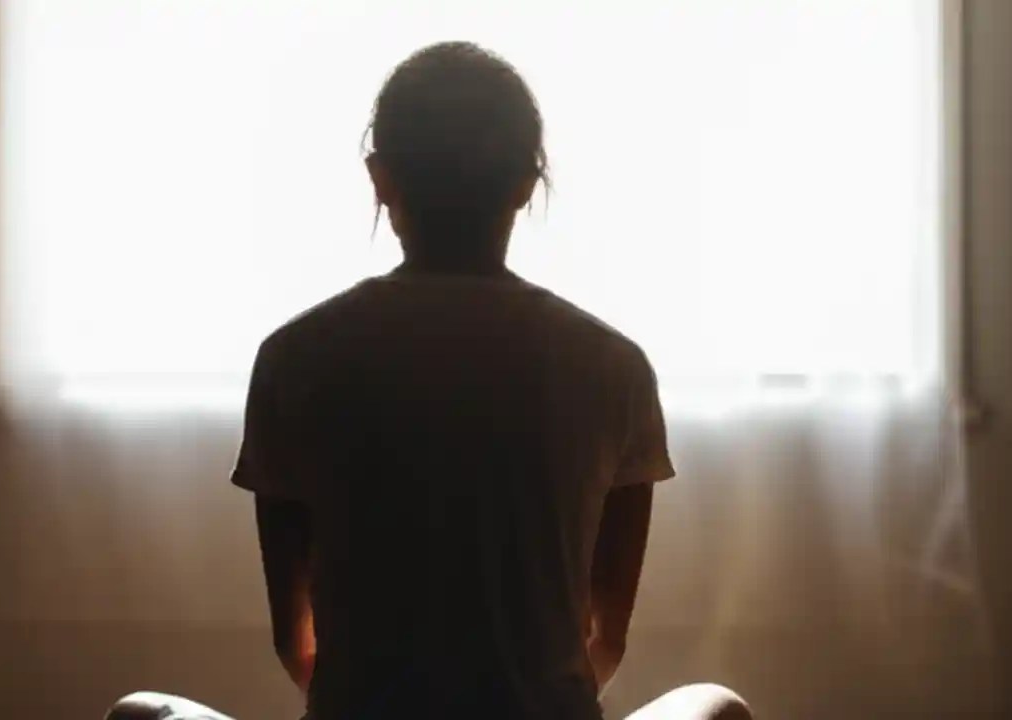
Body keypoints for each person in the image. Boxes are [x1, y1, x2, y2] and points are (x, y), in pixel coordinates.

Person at [108, 41, 751, 720]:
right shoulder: (613, 365)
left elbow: (294, 642)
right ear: (526, 182)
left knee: (139, 713)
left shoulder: (296, 357)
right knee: (718, 706)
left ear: (381, 178)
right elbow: (606, 639)